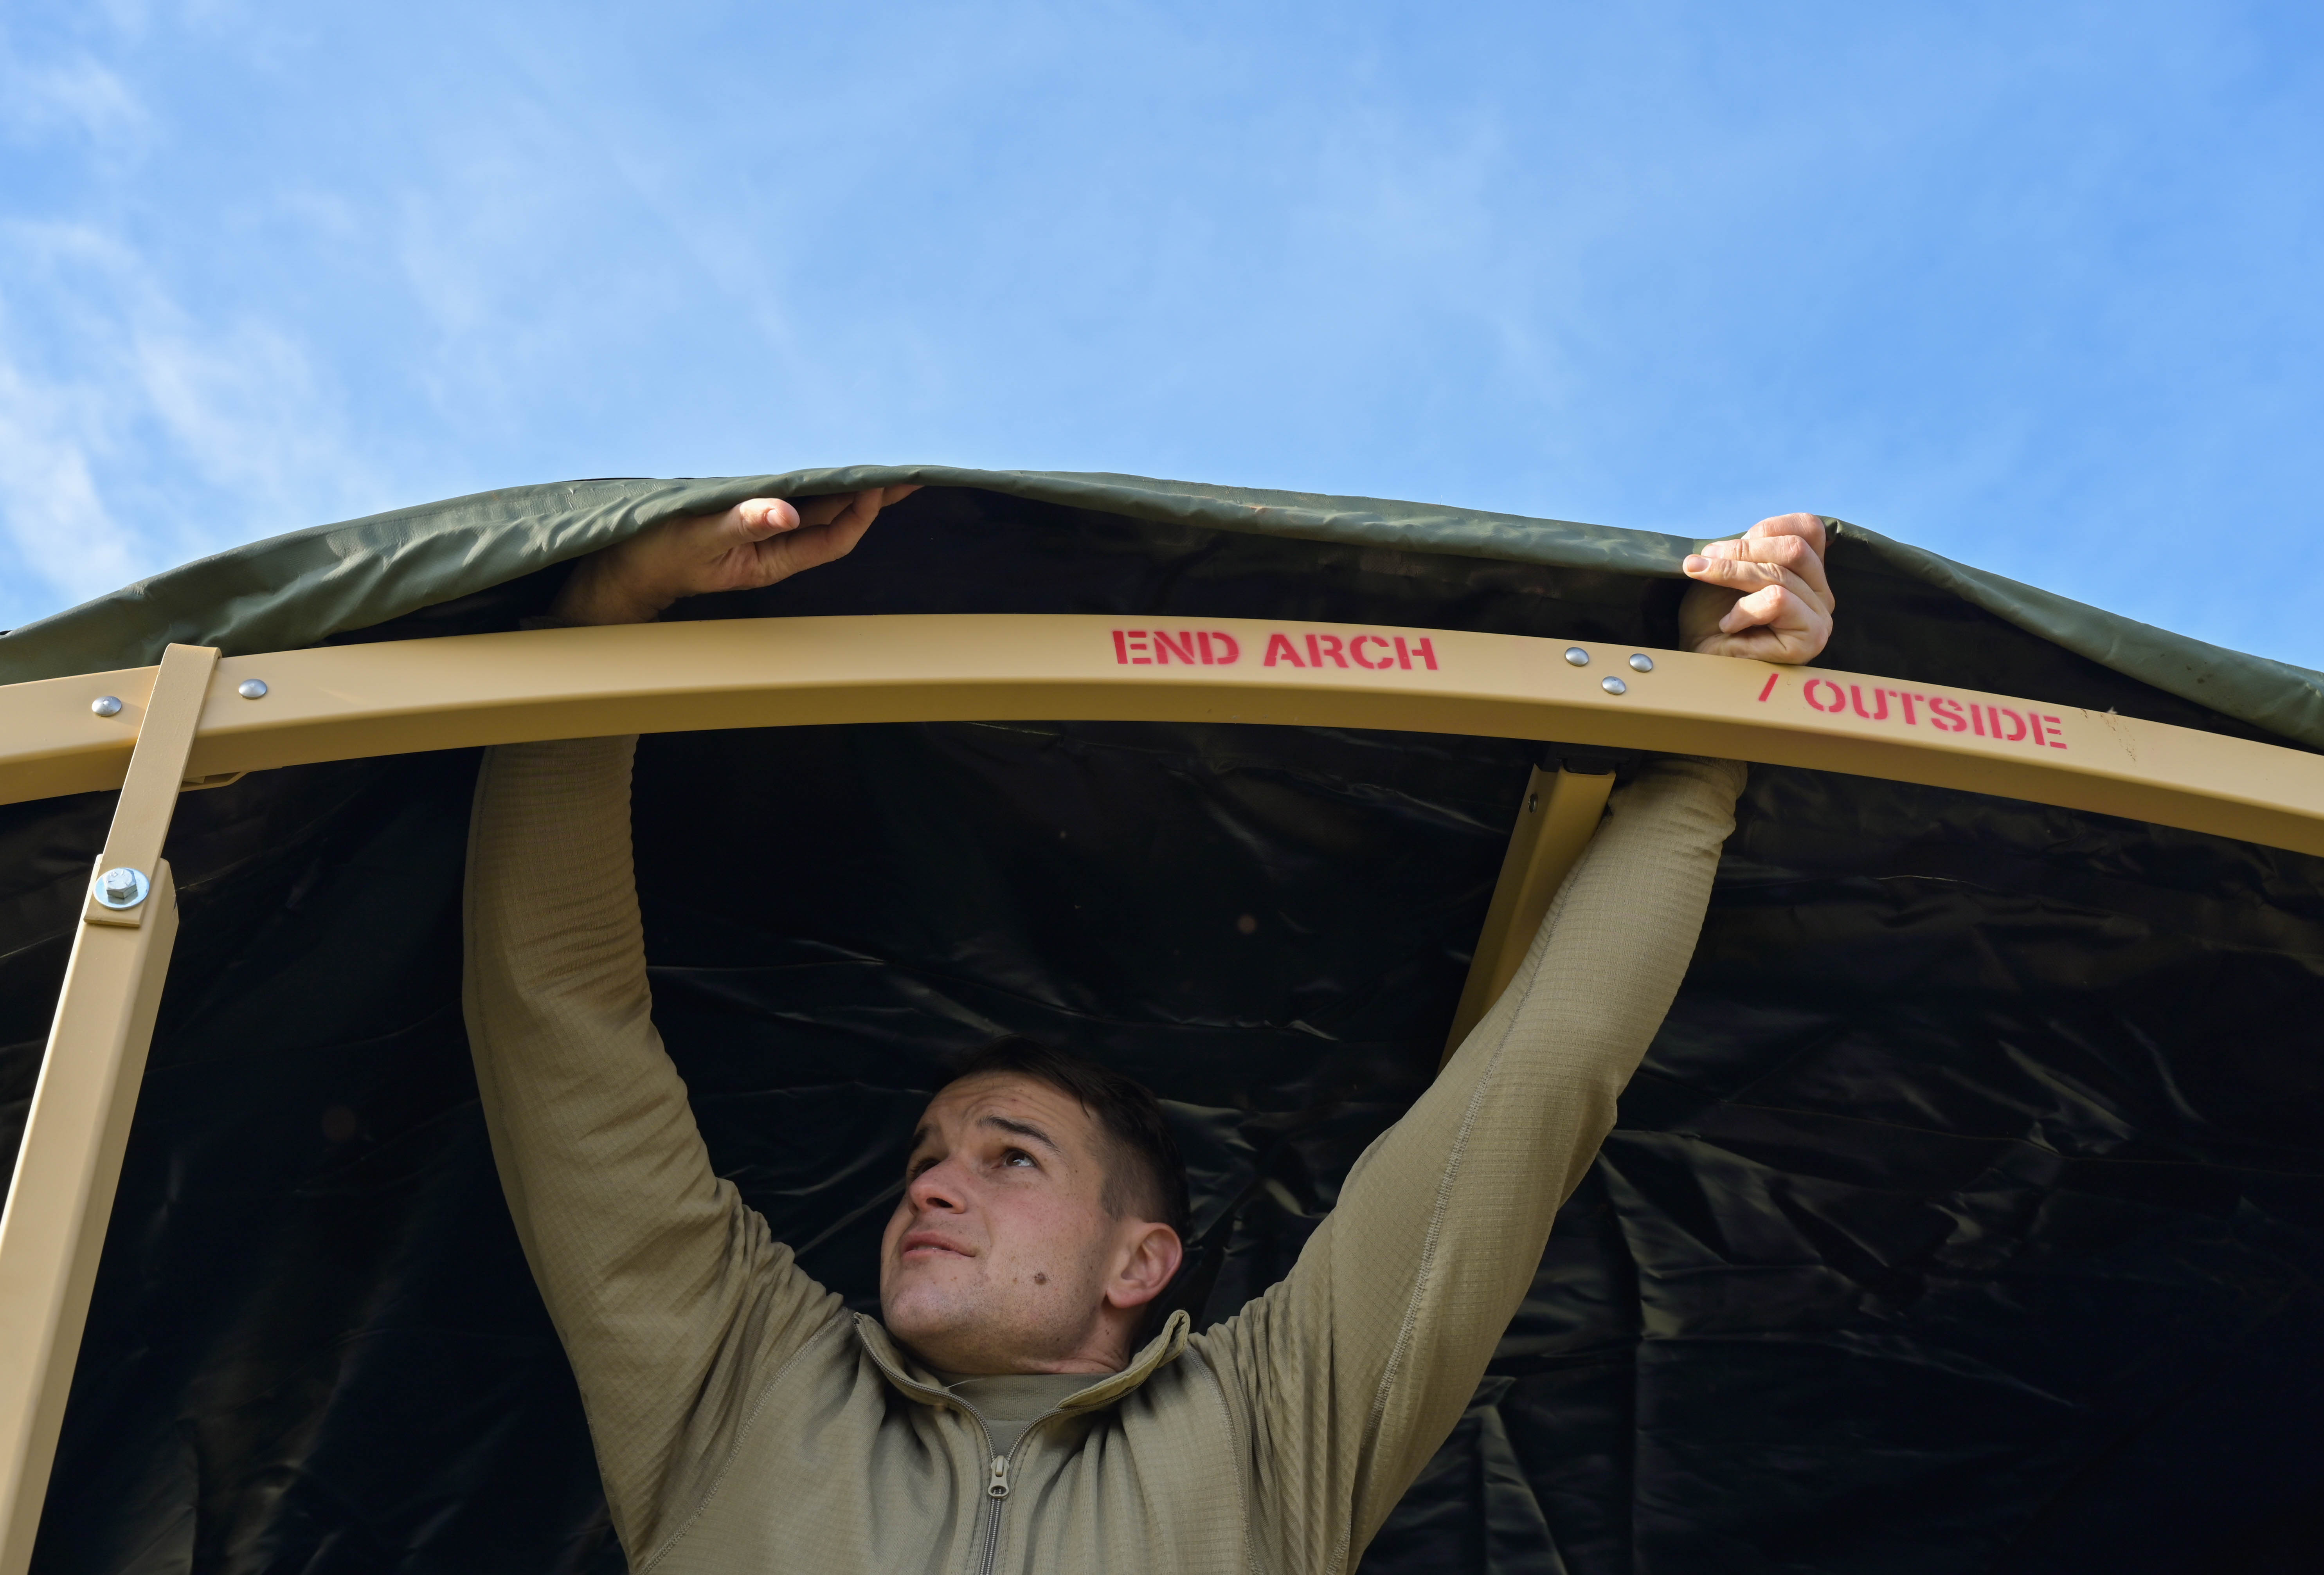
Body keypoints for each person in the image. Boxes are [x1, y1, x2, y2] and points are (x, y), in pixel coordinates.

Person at [462, 486, 1837, 1573]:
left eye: (1011, 1158)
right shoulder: (741, 1383)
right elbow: (559, 1023)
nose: (929, 1183)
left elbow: (1529, 1103)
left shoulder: (1272, 1434)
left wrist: (1712, 740)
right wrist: (612, 608)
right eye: (926, 1159)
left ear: (1145, 1259)